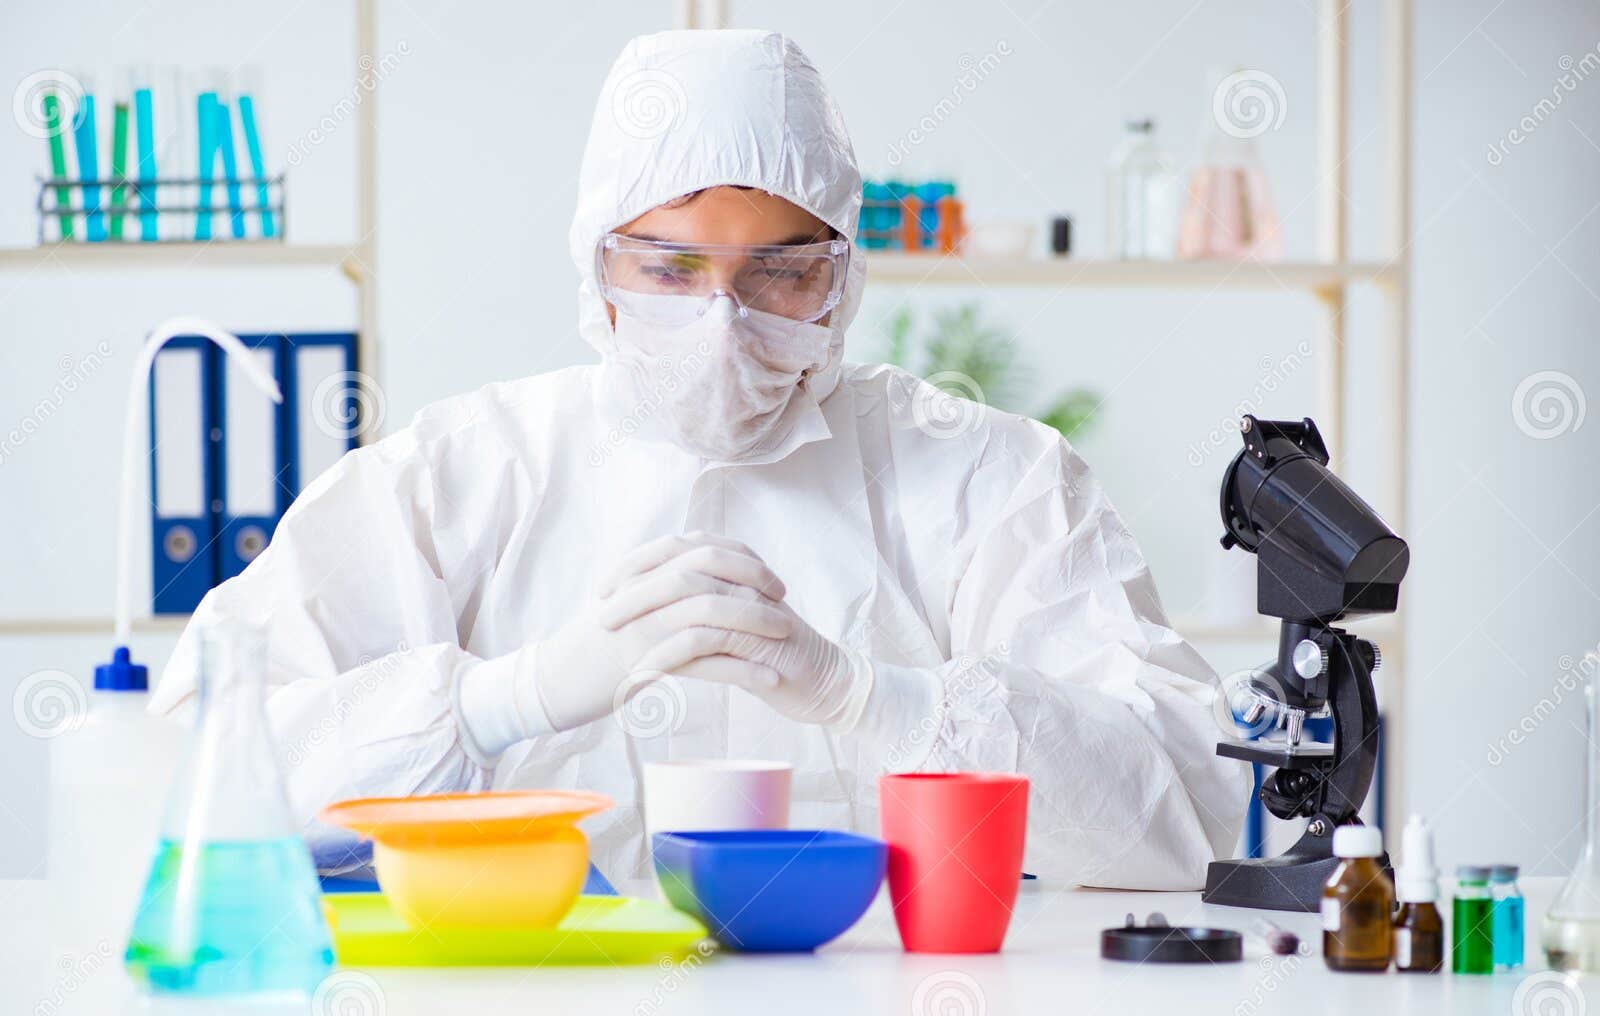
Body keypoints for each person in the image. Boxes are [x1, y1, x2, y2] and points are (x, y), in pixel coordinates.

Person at [152, 29, 1246, 888]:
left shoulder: (989, 478)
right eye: (670, 270)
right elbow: (189, 774)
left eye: (779, 273)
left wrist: (879, 700)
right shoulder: (457, 473)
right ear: (597, 268)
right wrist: (505, 700)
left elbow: (1191, 820)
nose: (723, 323)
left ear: (843, 275)